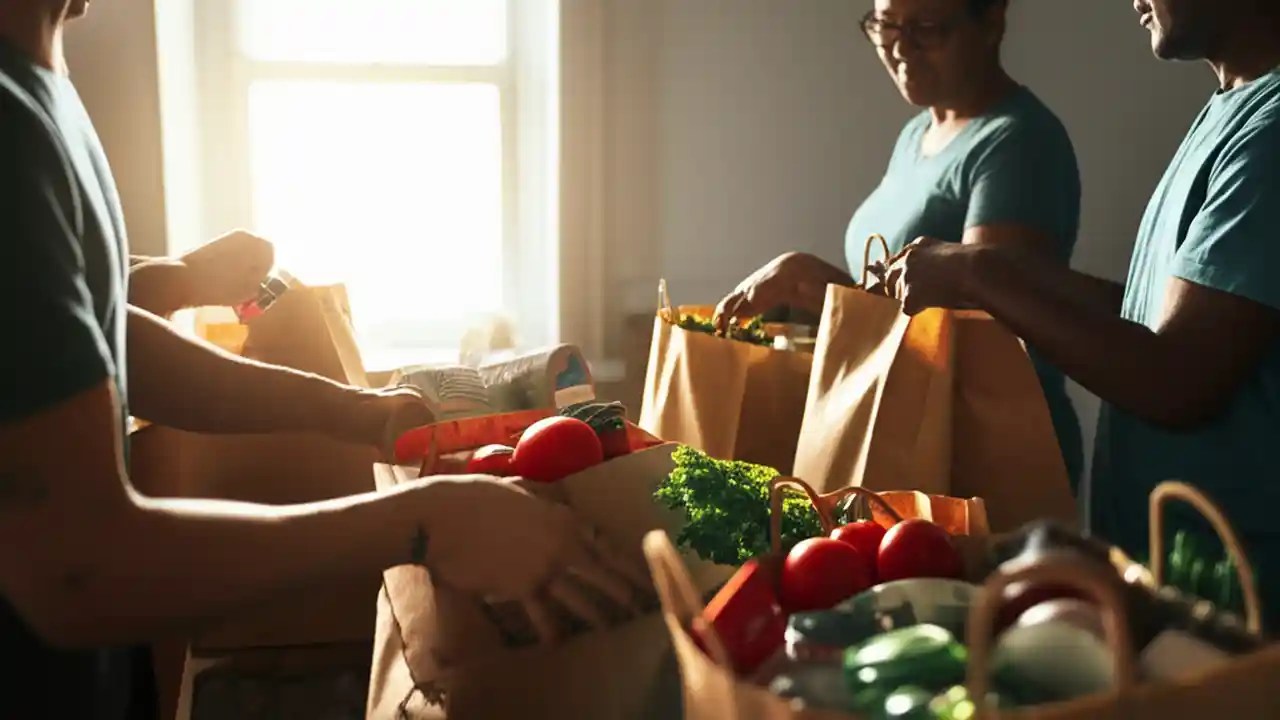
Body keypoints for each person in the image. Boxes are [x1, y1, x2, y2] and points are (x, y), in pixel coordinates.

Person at [0, 1, 645, 717]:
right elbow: (77, 572)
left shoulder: (39, 77)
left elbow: (104, 334)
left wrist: (348, 410)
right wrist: (426, 522)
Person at [888, 0, 1280, 626]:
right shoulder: (1230, 109)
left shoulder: (1273, 132)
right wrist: (990, 272)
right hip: (1171, 580)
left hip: (1240, 598)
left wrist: (980, 271)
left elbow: (1178, 379)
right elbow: (1151, 318)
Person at [713, 0, 1085, 491]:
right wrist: (815, 299)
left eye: (927, 29)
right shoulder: (919, 134)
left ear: (992, 21)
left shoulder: (1016, 143)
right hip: (905, 437)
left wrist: (827, 289)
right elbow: (896, 299)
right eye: (886, 24)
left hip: (978, 456)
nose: (900, 48)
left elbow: (986, 338)